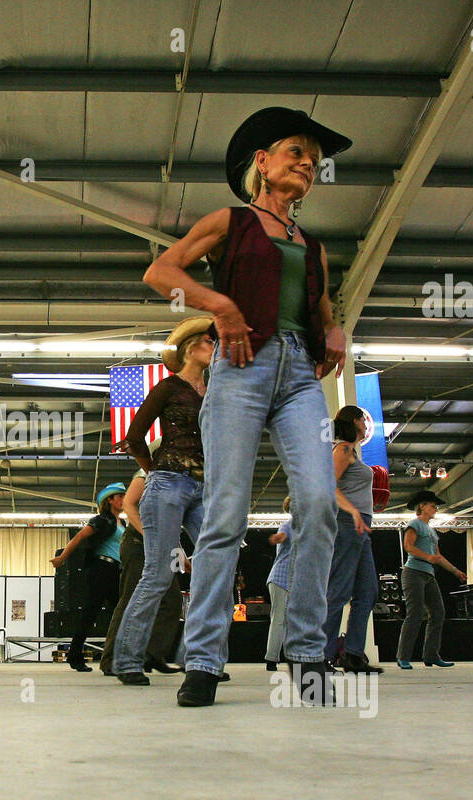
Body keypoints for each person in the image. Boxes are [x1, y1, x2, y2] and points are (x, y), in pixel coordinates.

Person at [144, 107, 351, 706]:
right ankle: (204, 659)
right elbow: (163, 272)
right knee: (225, 515)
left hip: (299, 379)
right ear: (262, 163)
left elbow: (324, 311)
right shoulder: (230, 221)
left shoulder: (312, 246)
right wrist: (220, 307)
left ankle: (307, 655)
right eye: (296, 152)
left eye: (314, 159)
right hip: (239, 369)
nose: (308, 163)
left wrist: (335, 332)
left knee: (317, 503)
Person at [112, 317, 213, 685]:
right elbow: (135, 435)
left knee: (215, 567)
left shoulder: (213, 391)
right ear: (191, 348)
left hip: (205, 486)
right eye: (208, 341)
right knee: (157, 574)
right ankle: (127, 660)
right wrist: (152, 469)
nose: (214, 346)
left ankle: (200, 660)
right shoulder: (169, 387)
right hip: (167, 481)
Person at [98, 465, 186, 676]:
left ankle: (152, 654)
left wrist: (179, 552)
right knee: (131, 598)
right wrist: (150, 536)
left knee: (172, 600)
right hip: (137, 543)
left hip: (163, 545)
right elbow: (129, 505)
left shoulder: (184, 477)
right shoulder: (149, 471)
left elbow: (170, 524)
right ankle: (111, 659)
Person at [319, 405, 384, 675]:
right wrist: (352, 510)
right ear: (355, 421)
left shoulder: (352, 451)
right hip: (347, 524)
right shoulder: (343, 449)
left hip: (361, 526)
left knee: (368, 591)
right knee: (339, 589)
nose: (366, 424)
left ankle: (353, 654)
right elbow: (327, 486)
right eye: (362, 419)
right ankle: (321, 654)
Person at [51, 482, 127, 671]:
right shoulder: (102, 520)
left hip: (115, 570)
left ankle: (116, 657)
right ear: (109, 500)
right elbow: (79, 538)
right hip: (100, 568)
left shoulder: (122, 523)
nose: (124, 500)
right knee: (91, 612)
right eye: (120, 497)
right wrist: (62, 558)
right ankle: (75, 656)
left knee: (120, 612)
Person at [396, 490, 465, 668]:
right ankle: (403, 657)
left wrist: (456, 571)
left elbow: (438, 556)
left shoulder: (432, 531)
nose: (435, 508)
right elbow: (408, 546)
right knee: (415, 614)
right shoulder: (415, 524)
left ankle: (431, 655)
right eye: (432, 505)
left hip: (428, 574)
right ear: (422, 507)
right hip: (413, 572)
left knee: (438, 612)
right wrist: (427, 557)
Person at [265, 498, 294, 671]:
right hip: (280, 578)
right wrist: (278, 538)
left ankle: (292, 657)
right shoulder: (288, 526)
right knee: (279, 620)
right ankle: (271, 659)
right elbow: (282, 535)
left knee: (291, 621)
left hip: (294, 581)